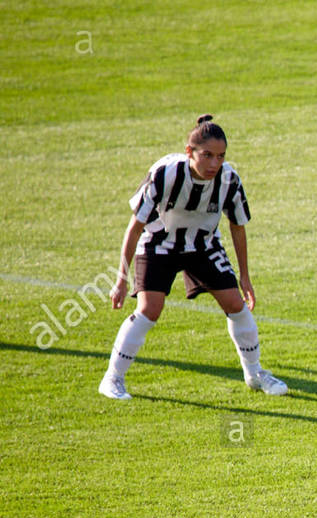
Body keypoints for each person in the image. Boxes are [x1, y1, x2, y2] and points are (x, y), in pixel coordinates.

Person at [99, 114, 287, 399]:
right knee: (150, 309)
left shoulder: (229, 180)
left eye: (221, 156)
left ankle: (255, 374)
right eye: (207, 155)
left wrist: (245, 276)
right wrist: (121, 280)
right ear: (190, 152)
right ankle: (112, 379)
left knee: (236, 304)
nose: (214, 163)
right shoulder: (165, 174)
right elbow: (135, 227)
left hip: (203, 246)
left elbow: (237, 226)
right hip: (159, 244)